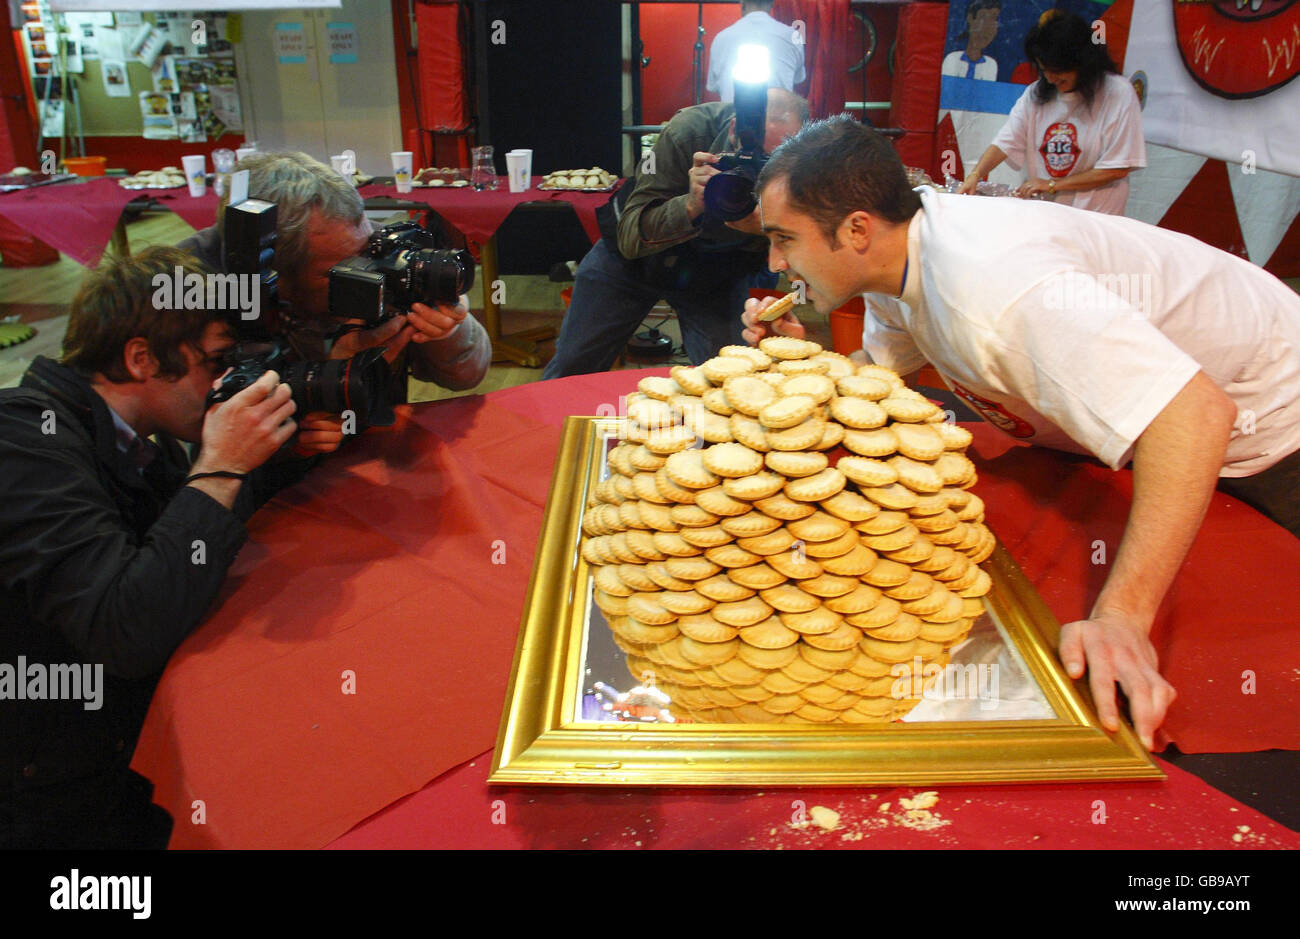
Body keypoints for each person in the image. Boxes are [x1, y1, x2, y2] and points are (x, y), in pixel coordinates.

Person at [741, 115, 1300, 751]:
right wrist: (801, 367)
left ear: (856, 230)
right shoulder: (897, 260)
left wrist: (1120, 620)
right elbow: (876, 381)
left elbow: (1193, 414)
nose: (774, 261)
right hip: (1161, 425)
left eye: (783, 238)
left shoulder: (999, 293)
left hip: (1275, 419)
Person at [0, 247, 341, 849]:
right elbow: (127, 629)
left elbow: (178, 552)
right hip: (56, 795)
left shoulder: (129, 436)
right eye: (215, 363)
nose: (224, 383)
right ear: (140, 358)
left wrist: (270, 459)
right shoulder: (26, 444)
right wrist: (222, 467)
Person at [178, 151, 491, 404]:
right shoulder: (194, 294)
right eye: (346, 271)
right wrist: (336, 378)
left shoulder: (370, 248)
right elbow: (211, 433)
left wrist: (449, 332)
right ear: (274, 278)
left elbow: (468, 375)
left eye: (367, 254)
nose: (368, 272)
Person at [543, 88, 808, 379]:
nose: (757, 173)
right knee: (572, 367)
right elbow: (630, 237)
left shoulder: (806, 163)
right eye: (753, 159)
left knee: (730, 377)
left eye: (769, 166)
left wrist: (767, 228)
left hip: (717, 272)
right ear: (734, 129)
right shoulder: (690, 132)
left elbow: (807, 251)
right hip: (635, 260)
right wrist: (690, 206)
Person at [958, 9, 1145, 214]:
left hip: (1096, 217)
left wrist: (1052, 185)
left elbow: (1118, 167)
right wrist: (976, 175)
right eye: (1043, 69)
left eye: (1057, 70)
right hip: (1047, 215)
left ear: (1081, 61)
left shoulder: (1118, 92)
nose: (1050, 78)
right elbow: (1006, 141)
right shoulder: (1036, 93)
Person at [707, 0, 806, 104]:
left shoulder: (721, 38)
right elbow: (798, 79)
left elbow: (714, 87)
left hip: (732, 117)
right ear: (772, 3)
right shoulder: (793, 37)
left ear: (742, 3)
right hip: (777, 117)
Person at [941, 0, 1001, 82]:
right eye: (982, 17)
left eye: (993, 19)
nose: (987, 27)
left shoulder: (991, 65)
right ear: (970, 18)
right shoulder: (952, 58)